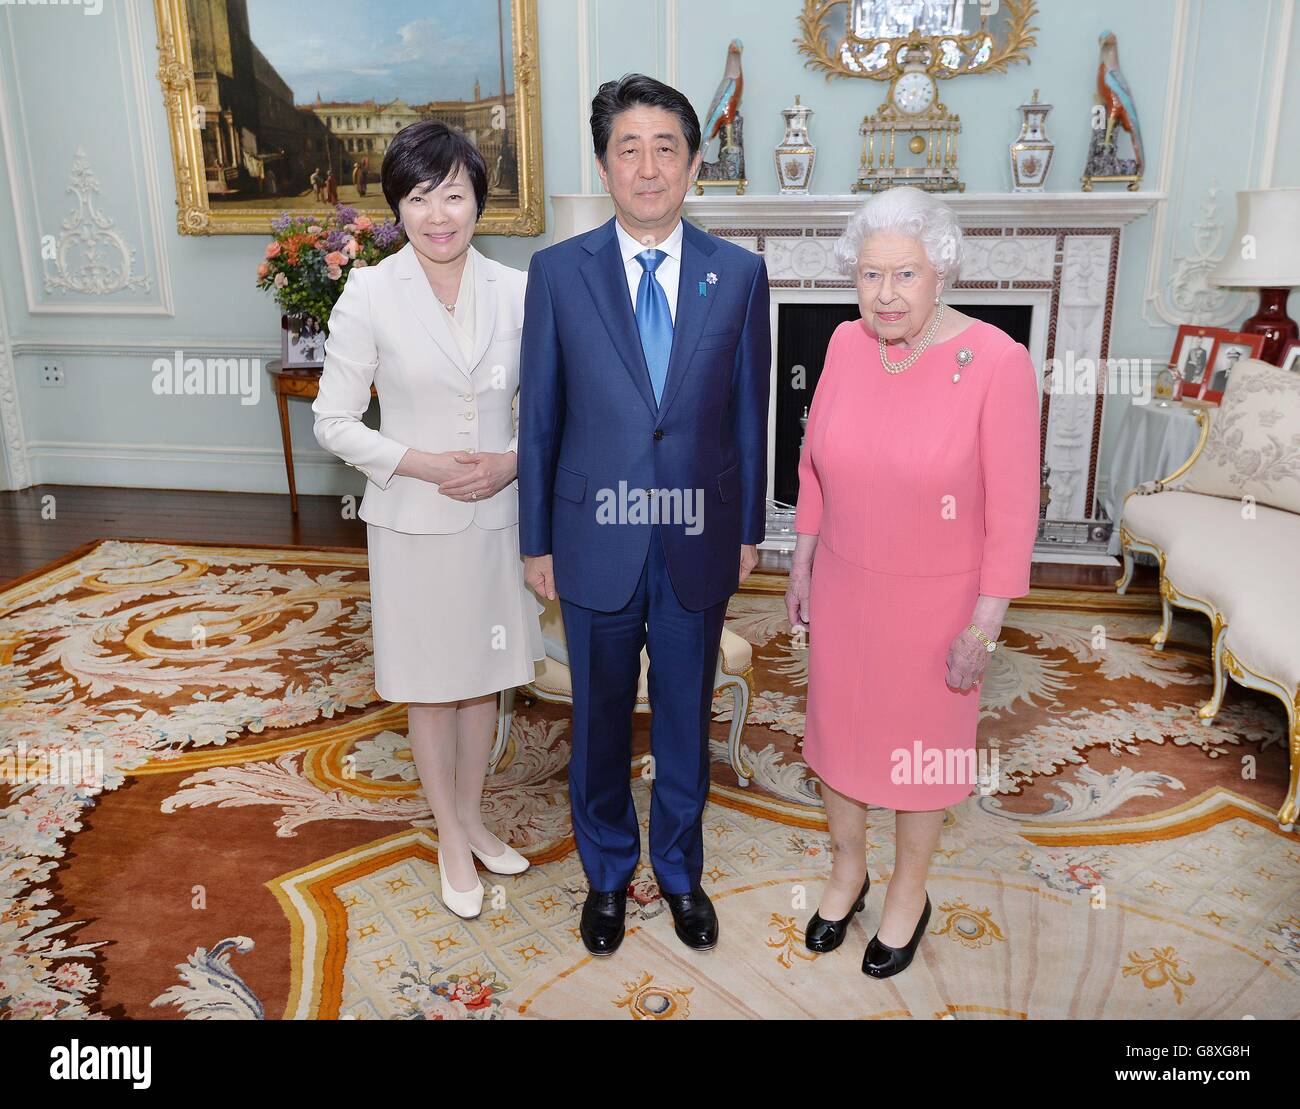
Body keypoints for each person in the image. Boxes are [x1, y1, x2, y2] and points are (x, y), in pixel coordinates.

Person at [517, 73, 770, 956]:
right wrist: (536, 540)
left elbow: (749, 411)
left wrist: (748, 530)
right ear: (604, 164)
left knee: (682, 720)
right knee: (596, 723)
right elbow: (540, 416)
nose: (649, 165)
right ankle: (606, 875)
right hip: (593, 539)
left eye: (667, 147)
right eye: (630, 148)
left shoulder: (739, 275)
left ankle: (680, 870)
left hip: (699, 536)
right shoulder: (557, 274)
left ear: (694, 163)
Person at [785, 185, 1040, 978]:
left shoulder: (998, 362)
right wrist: (802, 553)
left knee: (918, 753)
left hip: (939, 600)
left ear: (942, 274)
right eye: (870, 275)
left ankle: (908, 890)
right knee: (837, 737)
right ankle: (847, 868)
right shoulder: (844, 345)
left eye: (905, 275)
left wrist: (986, 620)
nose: (884, 294)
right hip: (844, 583)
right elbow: (815, 458)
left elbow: (1014, 507)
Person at [313, 120, 544, 921]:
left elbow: (547, 410)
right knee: (430, 686)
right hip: (413, 521)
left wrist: (510, 462)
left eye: (454, 193)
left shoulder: (517, 289)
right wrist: (425, 462)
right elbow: (334, 422)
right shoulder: (370, 292)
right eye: (420, 197)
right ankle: (449, 832)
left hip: (499, 518)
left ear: (480, 198)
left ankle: (474, 814)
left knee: (482, 680)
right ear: (397, 207)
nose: (439, 214)